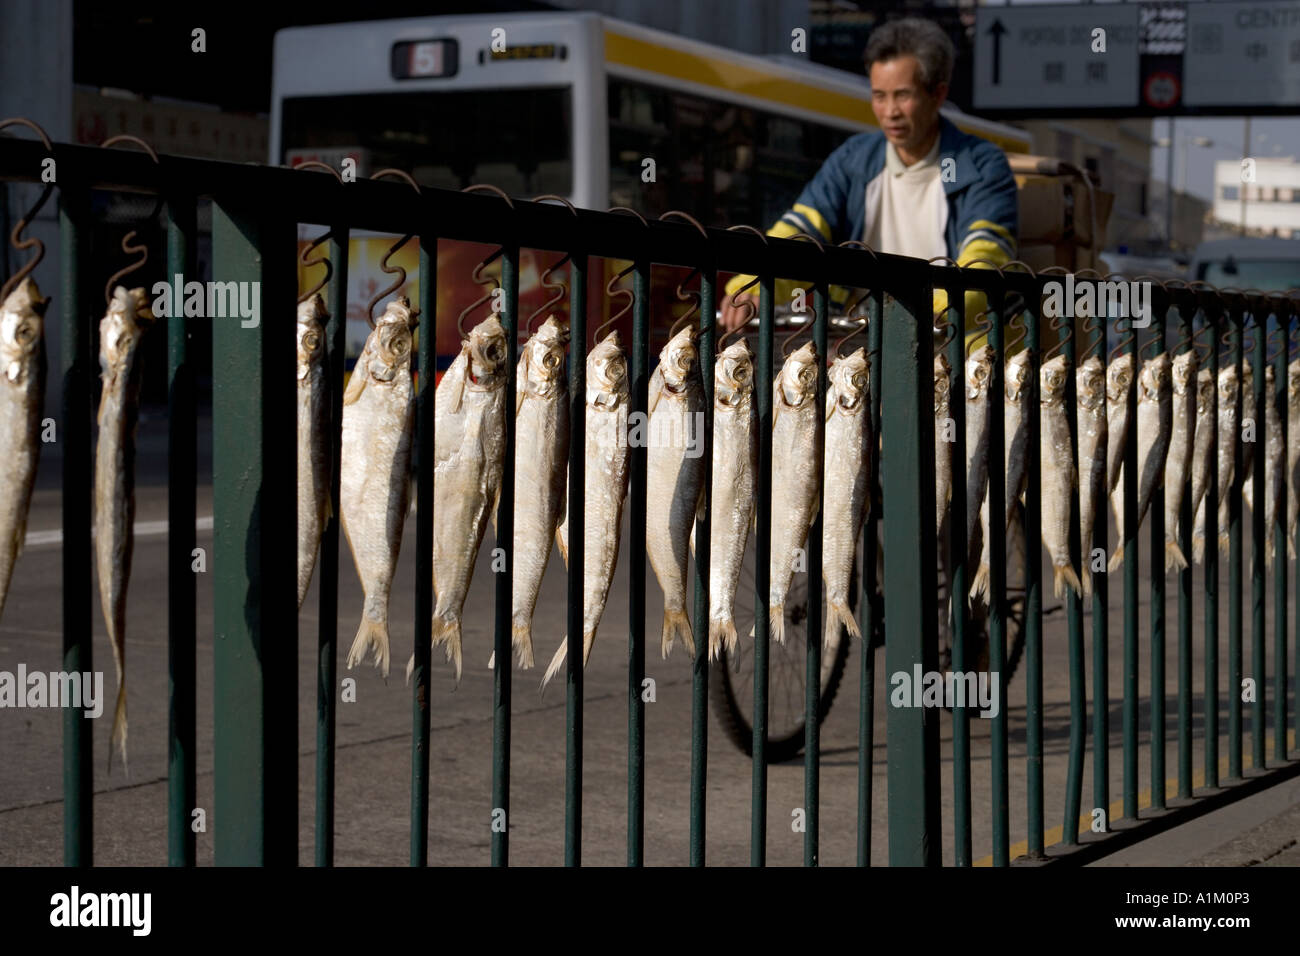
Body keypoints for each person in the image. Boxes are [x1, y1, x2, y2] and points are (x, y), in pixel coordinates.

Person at [719, 17, 1018, 337]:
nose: (890, 111)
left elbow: (986, 255)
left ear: (938, 94)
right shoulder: (853, 160)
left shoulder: (984, 164)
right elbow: (801, 231)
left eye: (903, 95)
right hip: (862, 346)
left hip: (952, 345)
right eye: (879, 95)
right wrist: (753, 285)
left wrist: (930, 311)